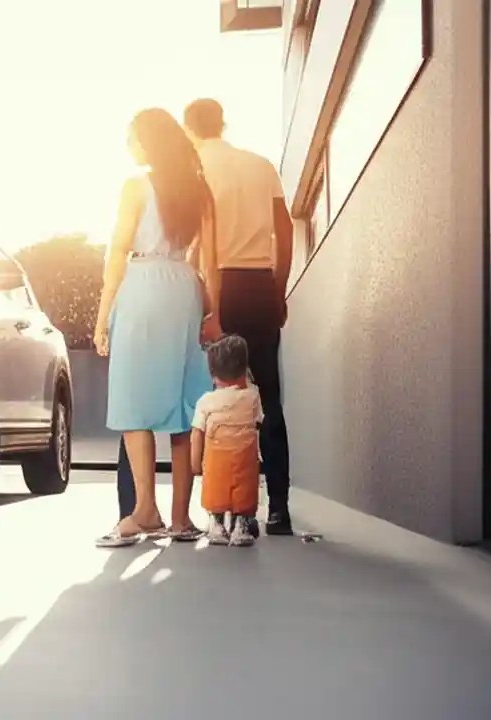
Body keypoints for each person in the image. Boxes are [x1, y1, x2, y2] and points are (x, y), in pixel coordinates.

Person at [94, 107, 214, 548]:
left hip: (143, 285)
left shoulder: (135, 186)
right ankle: (181, 518)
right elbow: (208, 260)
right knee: (183, 407)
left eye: (132, 137)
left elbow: (118, 250)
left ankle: (145, 510)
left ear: (147, 141)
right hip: (184, 288)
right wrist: (210, 309)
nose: (129, 145)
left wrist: (104, 313)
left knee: (133, 403)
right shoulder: (197, 188)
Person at [184, 98, 295, 537]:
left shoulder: (199, 172)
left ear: (191, 129)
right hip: (261, 283)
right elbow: (284, 230)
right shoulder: (260, 164)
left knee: (220, 401)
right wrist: (279, 288)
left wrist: (212, 308)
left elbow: (206, 247)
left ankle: (224, 508)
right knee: (269, 399)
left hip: (222, 285)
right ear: (222, 122)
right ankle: (279, 510)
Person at [191, 335, 264, 547]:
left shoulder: (206, 401)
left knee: (216, 492)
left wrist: (195, 464)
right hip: (245, 459)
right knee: (245, 493)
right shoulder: (252, 396)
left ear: (213, 375)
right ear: (245, 370)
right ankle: (240, 526)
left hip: (216, 460)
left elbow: (197, 433)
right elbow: (258, 421)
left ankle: (217, 525)